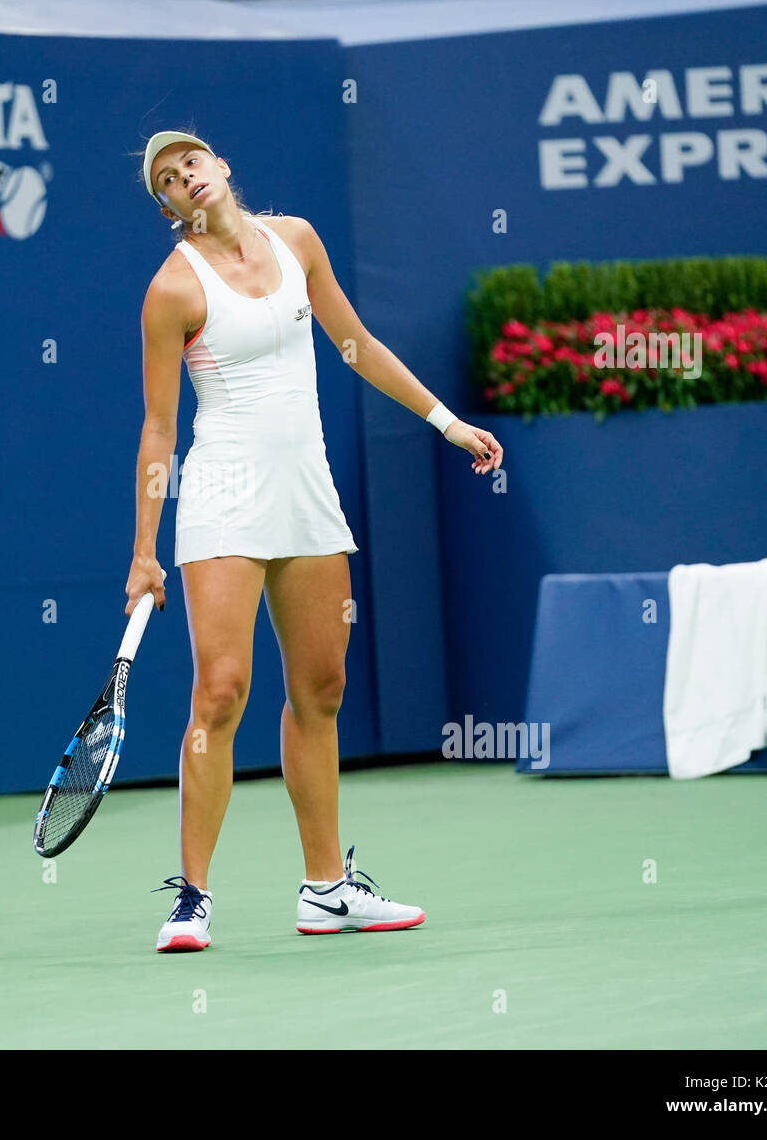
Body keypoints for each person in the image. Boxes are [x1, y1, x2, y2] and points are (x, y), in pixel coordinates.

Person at [130, 130, 503, 952]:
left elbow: (356, 347)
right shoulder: (172, 290)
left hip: (306, 489)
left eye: (192, 160)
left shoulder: (297, 240)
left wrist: (446, 422)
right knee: (220, 691)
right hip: (223, 493)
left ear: (223, 166)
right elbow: (160, 429)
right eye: (167, 178)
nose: (184, 175)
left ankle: (328, 889)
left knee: (323, 685)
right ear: (167, 207)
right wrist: (144, 549)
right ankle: (193, 896)